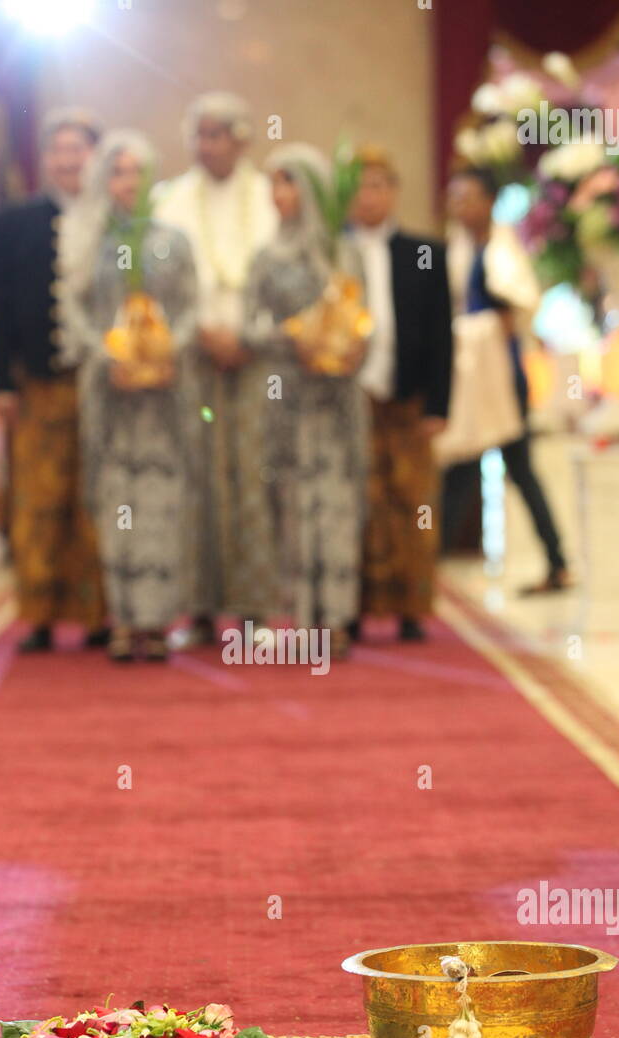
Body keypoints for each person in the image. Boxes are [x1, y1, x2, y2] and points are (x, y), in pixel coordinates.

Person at [60, 131, 197, 661]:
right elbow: (72, 308)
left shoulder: (172, 240)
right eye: (117, 172)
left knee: (160, 506)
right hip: (110, 394)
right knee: (118, 503)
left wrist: (168, 350)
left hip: (164, 397)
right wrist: (106, 353)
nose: (127, 183)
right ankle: (122, 619)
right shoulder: (89, 241)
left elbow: (189, 306)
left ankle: (159, 619)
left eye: (138, 172)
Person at [0, 108, 109, 652]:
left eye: (77, 149)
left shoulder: (115, 221)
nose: (67, 160)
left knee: (98, 495)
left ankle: (98, 612)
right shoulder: (13, 222)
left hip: (104, 384)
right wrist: (1, 384)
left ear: (95, 155)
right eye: (58, 150)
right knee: (37, 495)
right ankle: (38, 612)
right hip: (37, 381)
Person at [154, 92, 278, 638]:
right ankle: (201, 608)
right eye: (199, 135)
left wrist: (249, 338)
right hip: (193, 358)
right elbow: (159, 285)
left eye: (217, 134)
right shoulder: (170, 201)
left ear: (242, 139)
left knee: (254, 476)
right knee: (198, 476)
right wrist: (200, 333)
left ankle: (254, 608)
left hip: (257, 360)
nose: (207, 146)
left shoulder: (270, 197)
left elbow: (284, 282)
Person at [242, 143, 369, 656]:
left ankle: (336, 617)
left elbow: (368, 318)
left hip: (336, 399)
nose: (278, 195)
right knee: (290, 502)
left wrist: (352, 343)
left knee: (336, 502)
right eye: (273, 183)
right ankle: (297, 616)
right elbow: (248, 324)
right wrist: (292, 336)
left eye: (289, 183)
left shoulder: (345, 253)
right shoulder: (266, 256)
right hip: (285, 393)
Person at [445, 167, 571, 594]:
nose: (461, 207)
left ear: (490, 202)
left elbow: (511, 312)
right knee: (463, 467)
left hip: (503, 379)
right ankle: (433, 562)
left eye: (469, 197)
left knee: (513, 468)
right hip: (472, 381)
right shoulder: (460, 249)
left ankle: (557, 561)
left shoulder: (503, 251)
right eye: (455, 198)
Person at [349, 145, 452, 642]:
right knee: (360, 501)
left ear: (392, 192)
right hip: (352, 399)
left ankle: (411, 605)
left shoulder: (424, 251)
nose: (368, 197)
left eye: (377, 185)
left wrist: (439, 403)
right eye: (359, 187)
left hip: (408, 396)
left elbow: (441, 333)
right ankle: (356, 605)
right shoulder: (335, 250)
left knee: (413, 501)